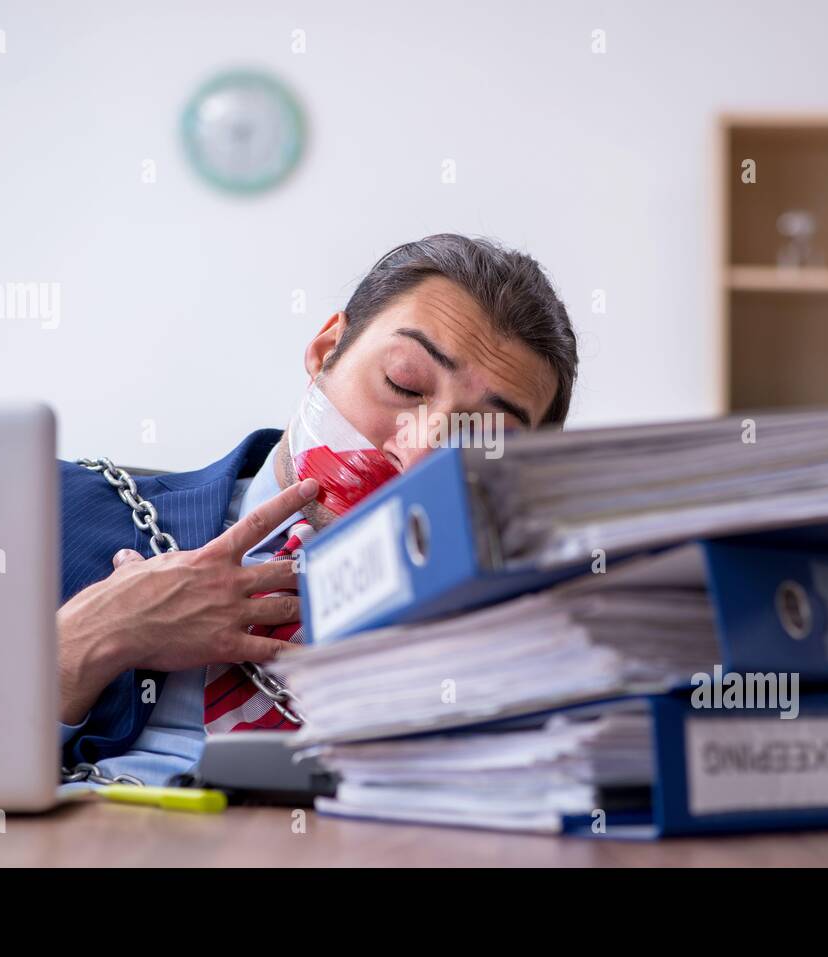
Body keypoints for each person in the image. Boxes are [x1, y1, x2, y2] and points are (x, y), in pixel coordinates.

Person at [56, 233, 579, 784]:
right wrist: (82, 643)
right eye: (404, 383)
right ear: (326, 349)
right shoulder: (56, 509)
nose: (422, 449)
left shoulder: (537, 632)